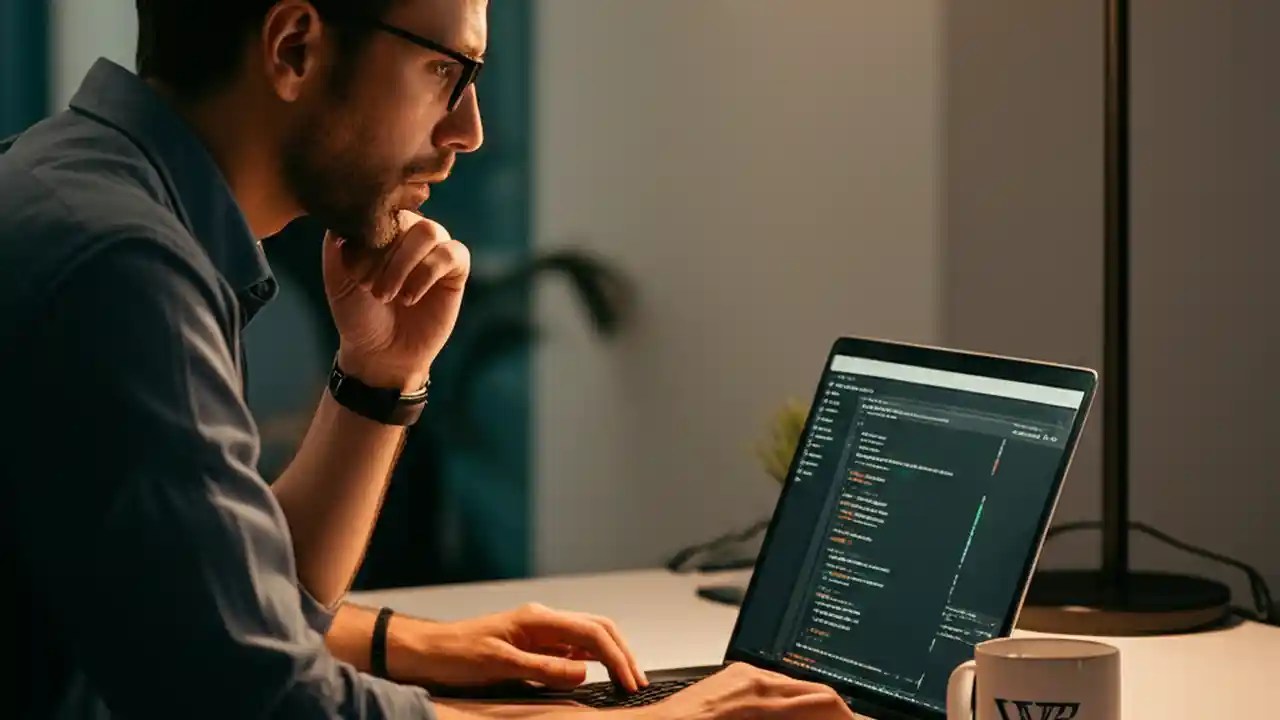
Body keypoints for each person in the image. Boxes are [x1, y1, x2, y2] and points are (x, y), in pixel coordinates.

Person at [0, 1, 858, 718]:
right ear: (294, 48)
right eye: (448, 70)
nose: (471, 131)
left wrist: (379, 375)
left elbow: (220, 601)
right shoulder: (119, 264)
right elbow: (256, 698)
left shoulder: (83, 190)